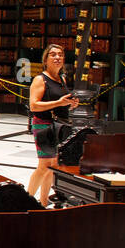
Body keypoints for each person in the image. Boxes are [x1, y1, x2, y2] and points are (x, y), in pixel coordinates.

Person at [25, 44, 76, 206]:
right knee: (44, 165)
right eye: (53, 55)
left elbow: (60, 103)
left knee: (53, 165)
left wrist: (69, 104)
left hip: (59, 125)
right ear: (45, 60)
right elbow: (34, 106)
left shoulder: (62, 78)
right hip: (43, 124)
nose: (57, 57)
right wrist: (59, 103)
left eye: (60, 55)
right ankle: (26, 200)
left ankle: (43, 201)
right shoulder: (40, 79)